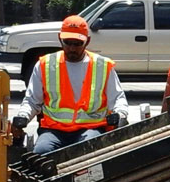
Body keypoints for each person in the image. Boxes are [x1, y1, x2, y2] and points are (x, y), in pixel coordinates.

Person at [11, 15, 128, 154]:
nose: (72, 48)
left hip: (90, 128)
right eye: (67, 42)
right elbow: (32, 100)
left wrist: (119, 114)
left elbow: (118, 99)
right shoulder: (45, 65)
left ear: (87, 41)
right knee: (41, 154)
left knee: (88, 151)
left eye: (77, 43)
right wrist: (23, 116)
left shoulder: (102, 66)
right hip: (54, 130)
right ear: (60, 39)